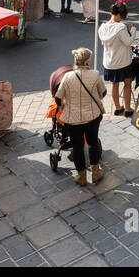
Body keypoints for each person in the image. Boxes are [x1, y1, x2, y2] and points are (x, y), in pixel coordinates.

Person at [54, 48, 107, 185]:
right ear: (88, 61)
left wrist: (64, 106)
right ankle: (96, 173)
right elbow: (103, 92)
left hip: (73, 119)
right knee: (93, 143)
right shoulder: (95, 75)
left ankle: (81, 177)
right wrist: (97, 96)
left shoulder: (67, 77)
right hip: (92, 116)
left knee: (77, 147)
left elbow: (58, 98)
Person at [98, 3, 139, 116]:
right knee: (127, 84)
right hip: (123, 61)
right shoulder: (120, 27)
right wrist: (134, 29)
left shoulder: (102, 28)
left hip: (109, 62)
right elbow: (128, 42)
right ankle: (127, 108)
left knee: (114, 84)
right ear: (120, 15)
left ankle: (117, 107)